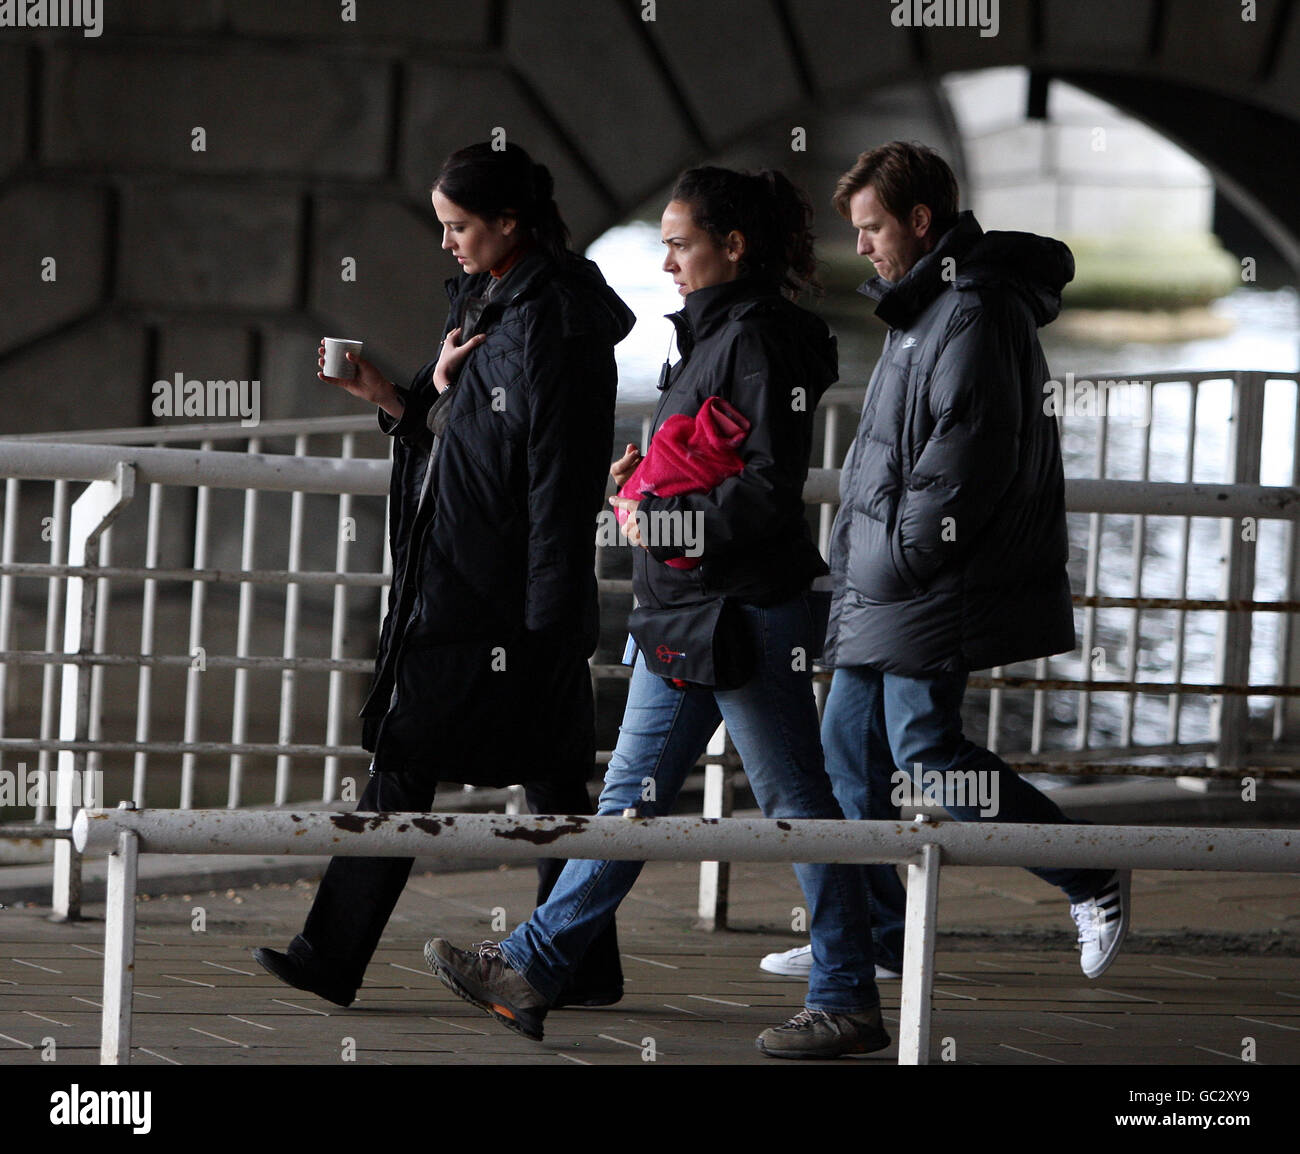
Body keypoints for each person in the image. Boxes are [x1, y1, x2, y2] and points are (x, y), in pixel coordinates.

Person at [427, 165, 891, 1061]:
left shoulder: (755, 342)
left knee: (797, 804)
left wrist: (654, 515)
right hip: (690, 612)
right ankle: (533, 964)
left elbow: (763, 492)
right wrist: (645, 480)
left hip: (741, 616)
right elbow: (717, 467)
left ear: (732, 246)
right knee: (630, 803)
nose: (668, 260)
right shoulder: (718, 335)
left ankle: (845, 999)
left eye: (680, 243)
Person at [252, 141, 635, 1008]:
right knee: (547, 777)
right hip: (473, 579)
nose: (447, 243)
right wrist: (397, 395)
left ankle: (330, 957)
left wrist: (548, 609)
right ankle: (584, 965)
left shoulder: (549, 321)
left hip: (491, 593)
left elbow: (555, 474)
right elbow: (469, 433)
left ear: (508, 223)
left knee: (407, 756)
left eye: (459, 226)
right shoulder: (494, 302)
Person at [760, 141, 1128, 986]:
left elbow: (967, 459)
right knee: (848, 752)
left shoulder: (975, 309)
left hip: (923, 584)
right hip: (888, 583)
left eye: (871, 226)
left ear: (920, 222)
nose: (859, 246)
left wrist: (891, 560)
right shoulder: (922, 303)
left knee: (926, 750)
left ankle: (1091, 871)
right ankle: (874, 937)